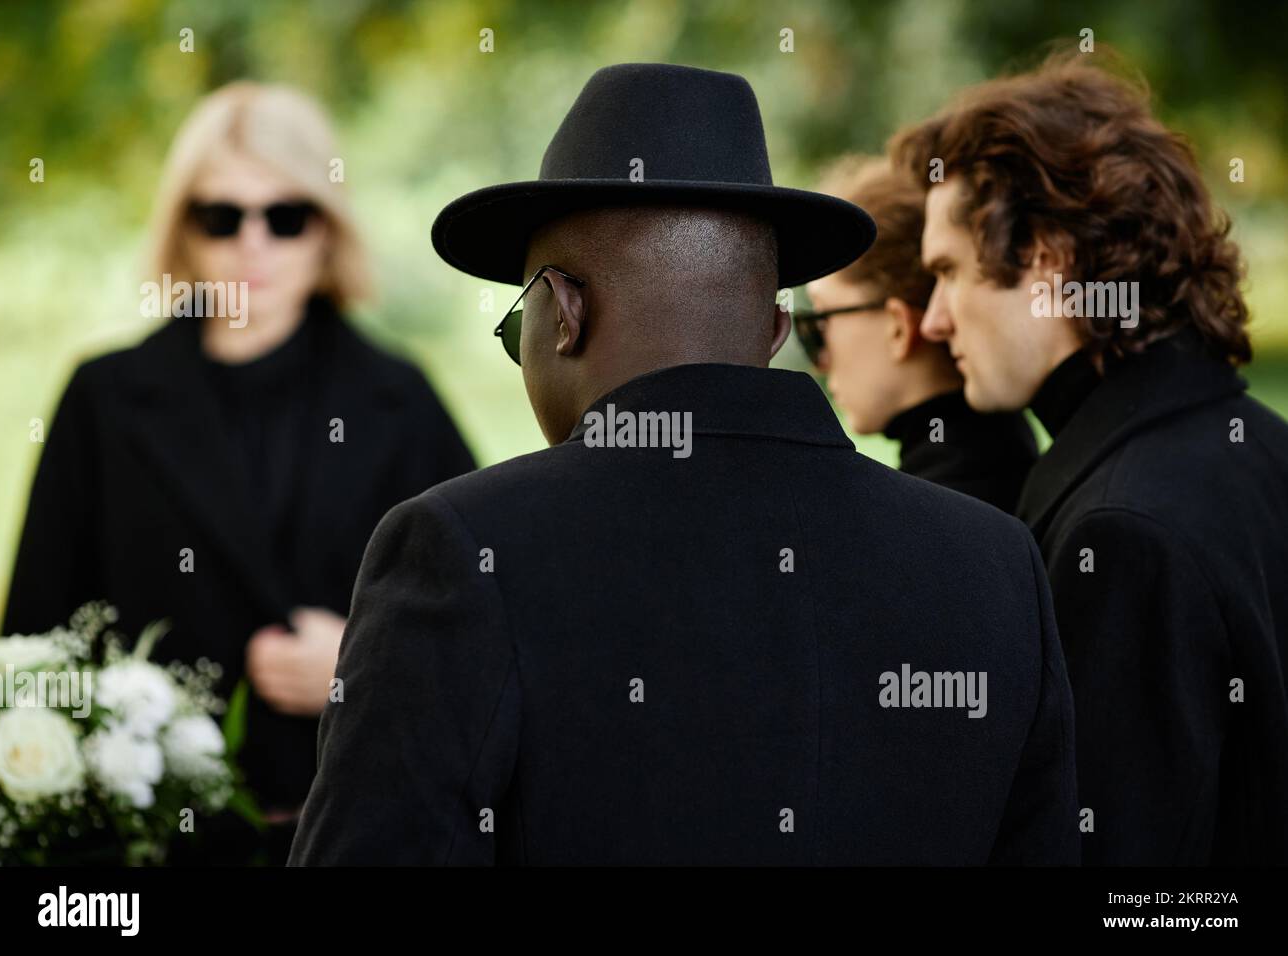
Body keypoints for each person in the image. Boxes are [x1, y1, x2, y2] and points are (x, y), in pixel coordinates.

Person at [289, 63, 1077, 866]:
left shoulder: (461, 552)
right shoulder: (995, 564)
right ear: (773, 332)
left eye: (514, 321)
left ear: (564, 312)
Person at [2, 82, 475, 863]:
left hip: (353, 838)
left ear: (328, 231)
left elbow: (485, 637)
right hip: (145, 850)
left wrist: (361, 668)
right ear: (182, 231)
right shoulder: (105, 399)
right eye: (221, 217)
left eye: (286, 217)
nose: (252, 243)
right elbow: (33, 642)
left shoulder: (400, 399)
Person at [892, 50, 1288, 864]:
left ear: (1046, 258)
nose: (933, 321)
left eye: (948, 273)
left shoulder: (1120, 532)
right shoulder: (1251, 441)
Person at [799, 156, 1036, 511]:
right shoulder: (996, 452)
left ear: (898, 326)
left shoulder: (937, 504)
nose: (820, 362)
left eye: (819, 323)